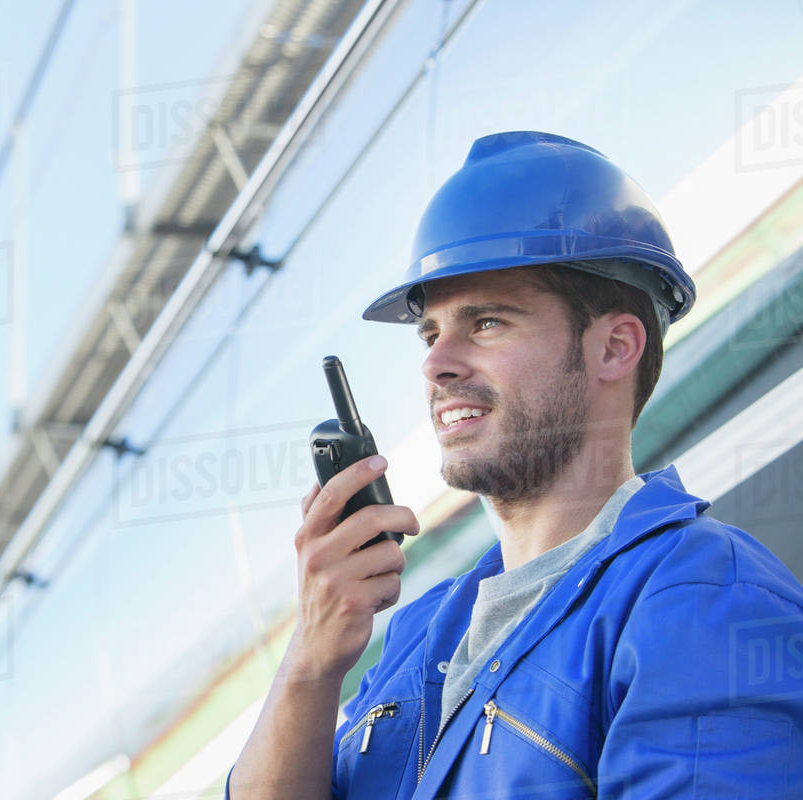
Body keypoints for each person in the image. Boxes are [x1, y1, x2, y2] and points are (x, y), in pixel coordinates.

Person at [226, 131, 803, 798]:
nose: (436, 364)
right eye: (431, 333)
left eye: (488, 323)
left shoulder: (703, 600)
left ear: (615, 348)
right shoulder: (420, 632)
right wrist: (311, 662)